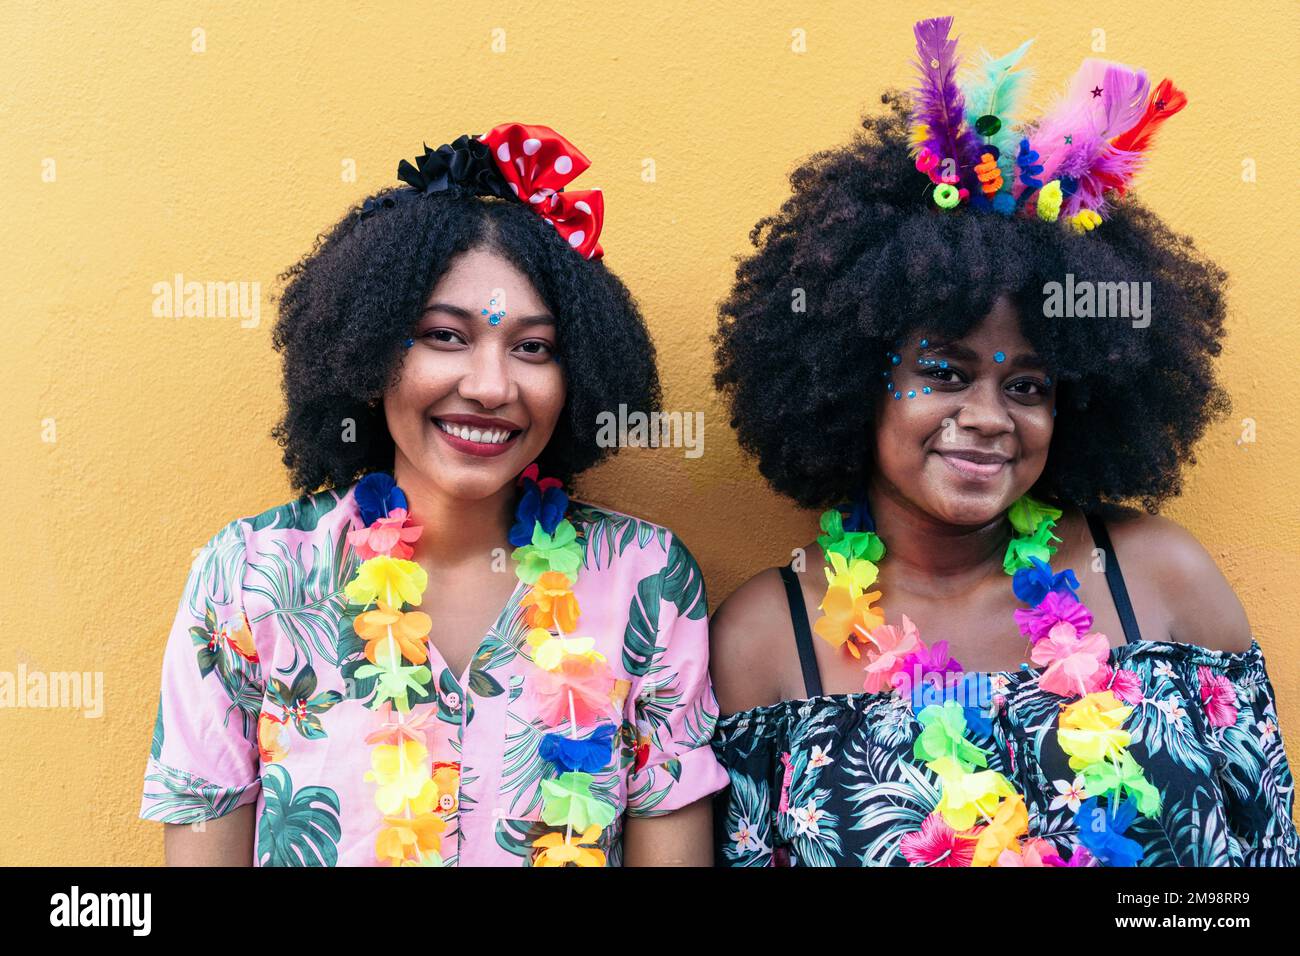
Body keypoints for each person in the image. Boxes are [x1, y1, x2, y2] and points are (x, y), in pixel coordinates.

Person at [708, 19, 1298, 867]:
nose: (990, 417)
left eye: (1027, 385)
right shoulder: (768, 636)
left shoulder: (1160, 579)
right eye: (944, 372)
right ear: (850, 379)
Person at [139, 123, 727, 866]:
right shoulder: (247, 576)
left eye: (533, 347)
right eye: (445, 336)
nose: (489, 387)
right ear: (371, 347)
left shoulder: (647, 578)